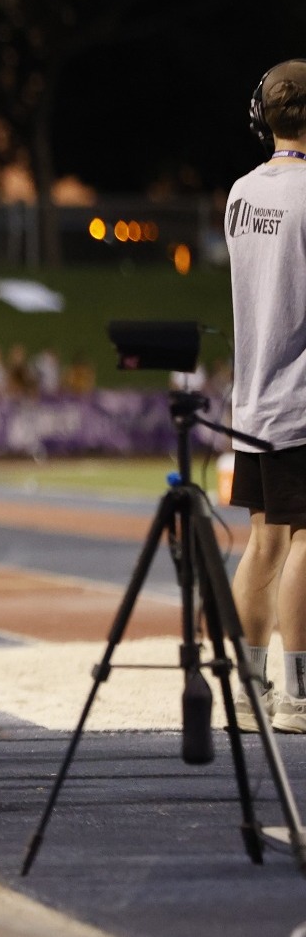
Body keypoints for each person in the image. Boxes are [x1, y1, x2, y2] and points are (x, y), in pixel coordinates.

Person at [227, 59, 306, 732]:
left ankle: (248, 691)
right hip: (303, 397)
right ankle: (298, 696)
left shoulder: (240, 193)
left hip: (251, 395)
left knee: (261, 542)